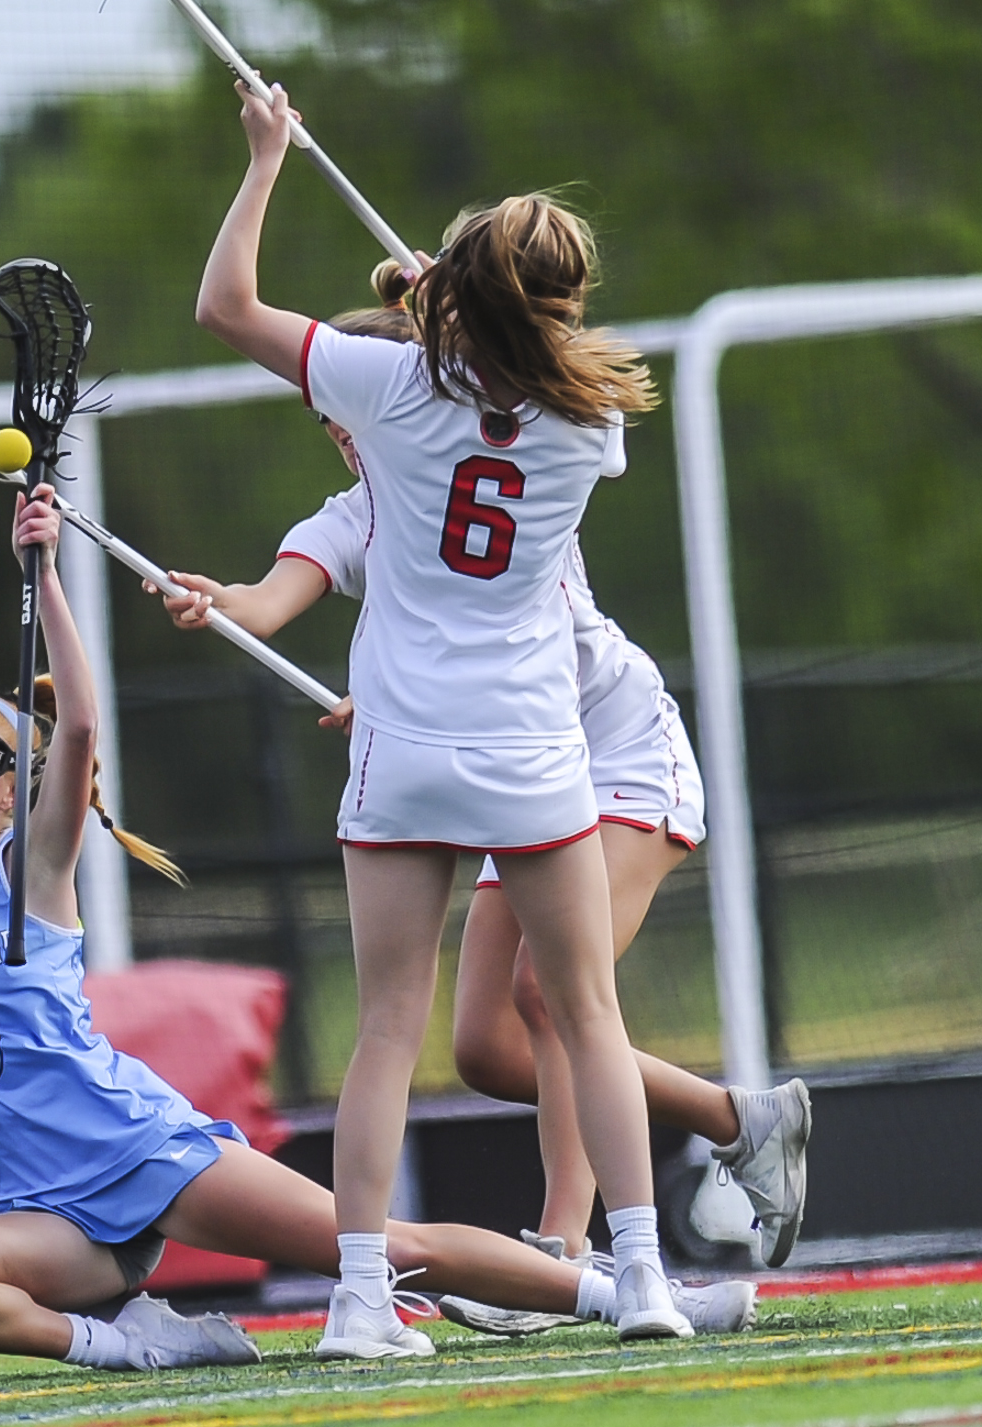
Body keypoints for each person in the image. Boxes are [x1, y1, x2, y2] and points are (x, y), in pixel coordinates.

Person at [0, 489, 755, 1372]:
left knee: (394, 1245)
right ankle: (141, 1342)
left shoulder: (32, 864)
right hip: (43, 1202)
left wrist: (40, 570)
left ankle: (629, 1289)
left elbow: (82, 719)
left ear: (14, 786)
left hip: (146, 1155)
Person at [155, 292, 813, 1329]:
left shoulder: (503, 449)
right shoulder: (381, 503)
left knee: (552, 996)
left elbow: (492, 593)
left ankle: (567, 1254)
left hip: (610, 748)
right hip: (512, 756)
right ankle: (736, 1117)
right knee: (483, 1047)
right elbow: (328, 598)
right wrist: (245, 616)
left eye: (343, 411)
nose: (336, 431)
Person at [196, 77, 690, 1350]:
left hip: (403, 747)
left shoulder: (381, 389)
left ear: (457, 295)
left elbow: (226, 307)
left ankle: (360, 1298)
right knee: (589, 1016)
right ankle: (639, 1277)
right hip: (532, 749)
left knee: (382, 1033)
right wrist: (455, 304)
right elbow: (510, 372)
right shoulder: (594, 426)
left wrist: (265, 159)